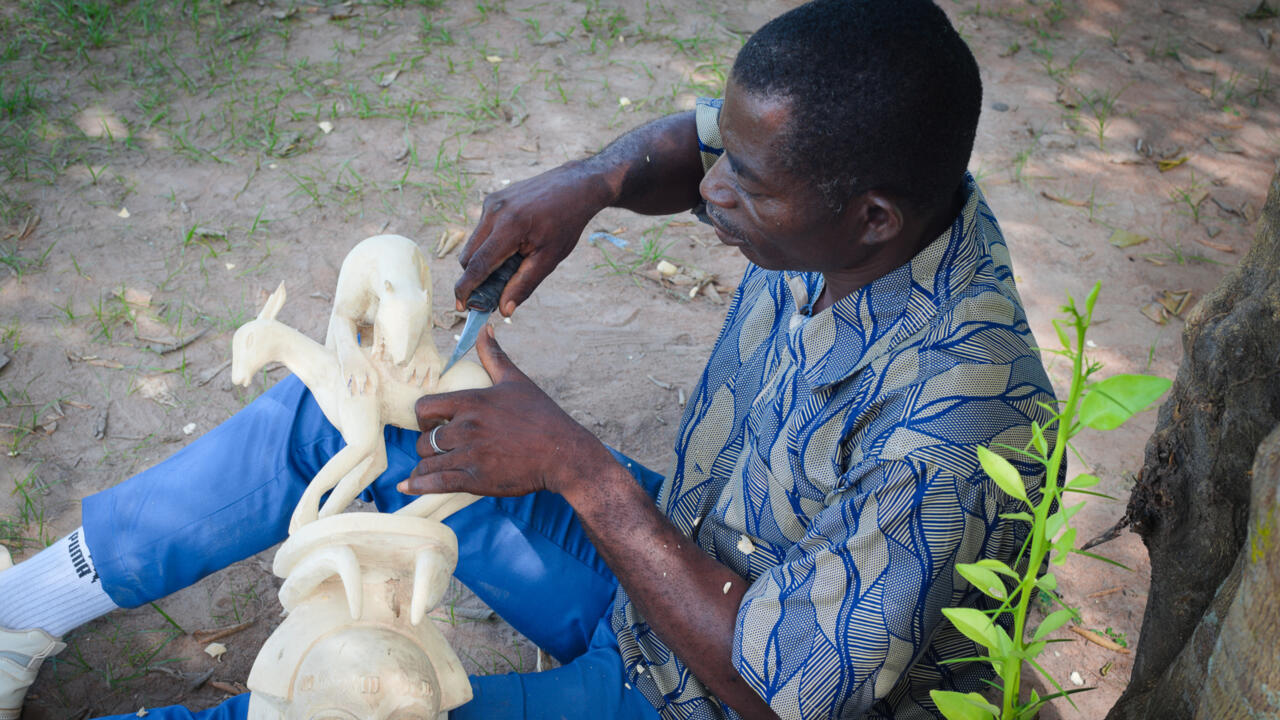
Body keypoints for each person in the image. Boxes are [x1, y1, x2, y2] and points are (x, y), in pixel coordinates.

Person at [0, 0, 1057, 718]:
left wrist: (575, 469)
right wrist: (592, 182)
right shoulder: (854, 193)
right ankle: (23, 614)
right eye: (721, 158)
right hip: (668, 564)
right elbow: (691, 143)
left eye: (742, 180)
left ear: (869, 217)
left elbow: (775, 692)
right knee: (365, 405)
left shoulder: (952, 428)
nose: (710, 190)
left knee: (345, 702)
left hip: (705, 688)